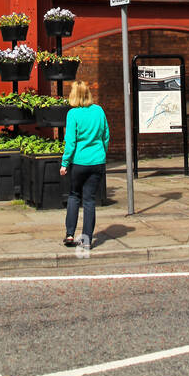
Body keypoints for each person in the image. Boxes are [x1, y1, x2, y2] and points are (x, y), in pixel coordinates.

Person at [60, 80, 109, 253]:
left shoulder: (73, 114)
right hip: (97, 161)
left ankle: (70, 234)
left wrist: (64, 163)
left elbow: (71, 142)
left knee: (74, 196)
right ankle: (87, 240)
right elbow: (106, 136)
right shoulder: (99, 111)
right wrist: (102, 154)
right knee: (89, 200)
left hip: (79, 162)